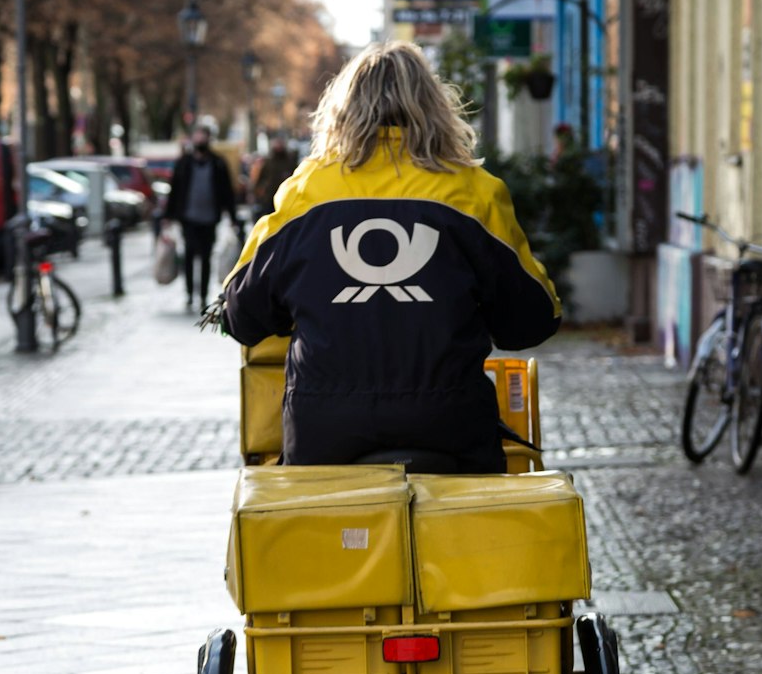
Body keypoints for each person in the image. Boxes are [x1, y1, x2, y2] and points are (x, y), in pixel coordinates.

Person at [221, 40, 560, 473]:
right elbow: (534, 319)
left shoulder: (305, 192)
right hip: (447, 428)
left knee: (320, 533)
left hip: (326, 434)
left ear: (340, 113)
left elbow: (240, 316)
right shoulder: (474, 191)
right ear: (434, 107)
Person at [166, 127, 237, 310]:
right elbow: (174, 191)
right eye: (197, 136)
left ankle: (203, 294)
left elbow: (227, 193)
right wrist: (169, 215)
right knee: (189, 254)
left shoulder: (218, 163)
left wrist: (232, 216)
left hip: (210, 218)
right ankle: (189, 293)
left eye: (203, 136)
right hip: (188, 218)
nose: (200, 140)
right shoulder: (184, 163)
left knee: (205, 256)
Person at [249, 133, 300, 220]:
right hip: (269, 198)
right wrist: (258, 192)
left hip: (286, 199)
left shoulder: (290, 162)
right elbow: (260, 179)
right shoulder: (268, 162)